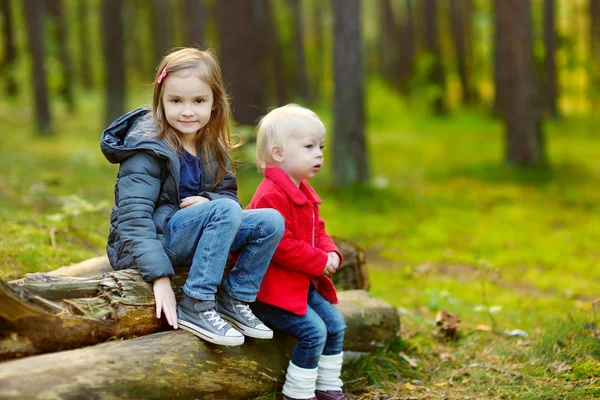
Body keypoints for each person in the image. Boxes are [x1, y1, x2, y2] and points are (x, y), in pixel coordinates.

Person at [100, 47, 284, 346]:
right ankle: (196, 304)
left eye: (198, 101)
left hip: (191, 233)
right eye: (176, 101)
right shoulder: (146, 148)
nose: (187, 111)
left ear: (214, 103)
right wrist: (159, 279)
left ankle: (234, 298)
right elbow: (132, 218)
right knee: (223, 210)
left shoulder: (211, 146)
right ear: (160, 101)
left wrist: (210, 202)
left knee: (270, 221)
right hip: (148, 245)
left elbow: (228, 197)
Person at [247, 104, 348, 400]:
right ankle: (297, 393)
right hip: (271, 292)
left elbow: (319, 230)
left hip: (299, 286)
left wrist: (331, 253)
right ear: (278, 153)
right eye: (309, 146)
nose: (319, 153)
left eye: (321, 146)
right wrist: (318, 261)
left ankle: (328, 386)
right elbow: (279, 246)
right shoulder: (270, 195)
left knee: (336, 324)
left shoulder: (303, 190)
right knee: (314, 332)